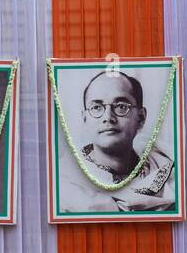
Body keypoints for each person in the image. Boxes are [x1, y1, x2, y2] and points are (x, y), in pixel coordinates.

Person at [59, 69, 177, 213]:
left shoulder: (169, 177)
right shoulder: (65, 183)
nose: (108, 117)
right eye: (96, 107)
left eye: (121, 107)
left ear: (141, 118)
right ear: (85, 119)